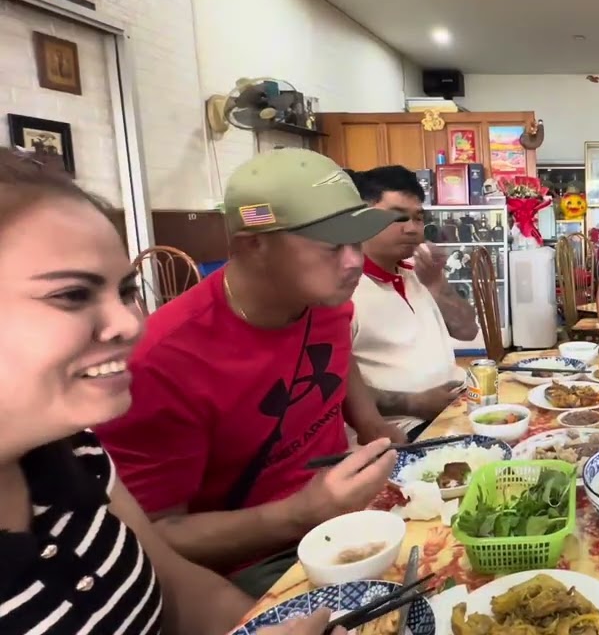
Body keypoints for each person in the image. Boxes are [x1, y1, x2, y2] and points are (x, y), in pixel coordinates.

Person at [96, 149, 406, 598]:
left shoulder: (323, 300)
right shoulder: (161, 361)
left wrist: (370, 420)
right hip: (250, 564)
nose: (354, 262)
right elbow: (155, 536)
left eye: (357, 243)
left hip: (348, 519)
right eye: (332, 246)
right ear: (252, 244)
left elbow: (339, 357)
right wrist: (300, 513)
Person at [0, 146, 254, 634]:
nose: (131, 323)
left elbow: (178, 586)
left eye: (125, 291)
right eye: (72, 294)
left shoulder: (76, 450)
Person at [348, 166, 479, 438]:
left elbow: (468, 331)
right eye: (397, 217)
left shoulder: (416, 271)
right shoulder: (343, 289)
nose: (412, 229)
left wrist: (436, 284)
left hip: (456, 410)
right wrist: (413, 403)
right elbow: (335, 391)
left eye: (418, 218)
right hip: (403, 430)